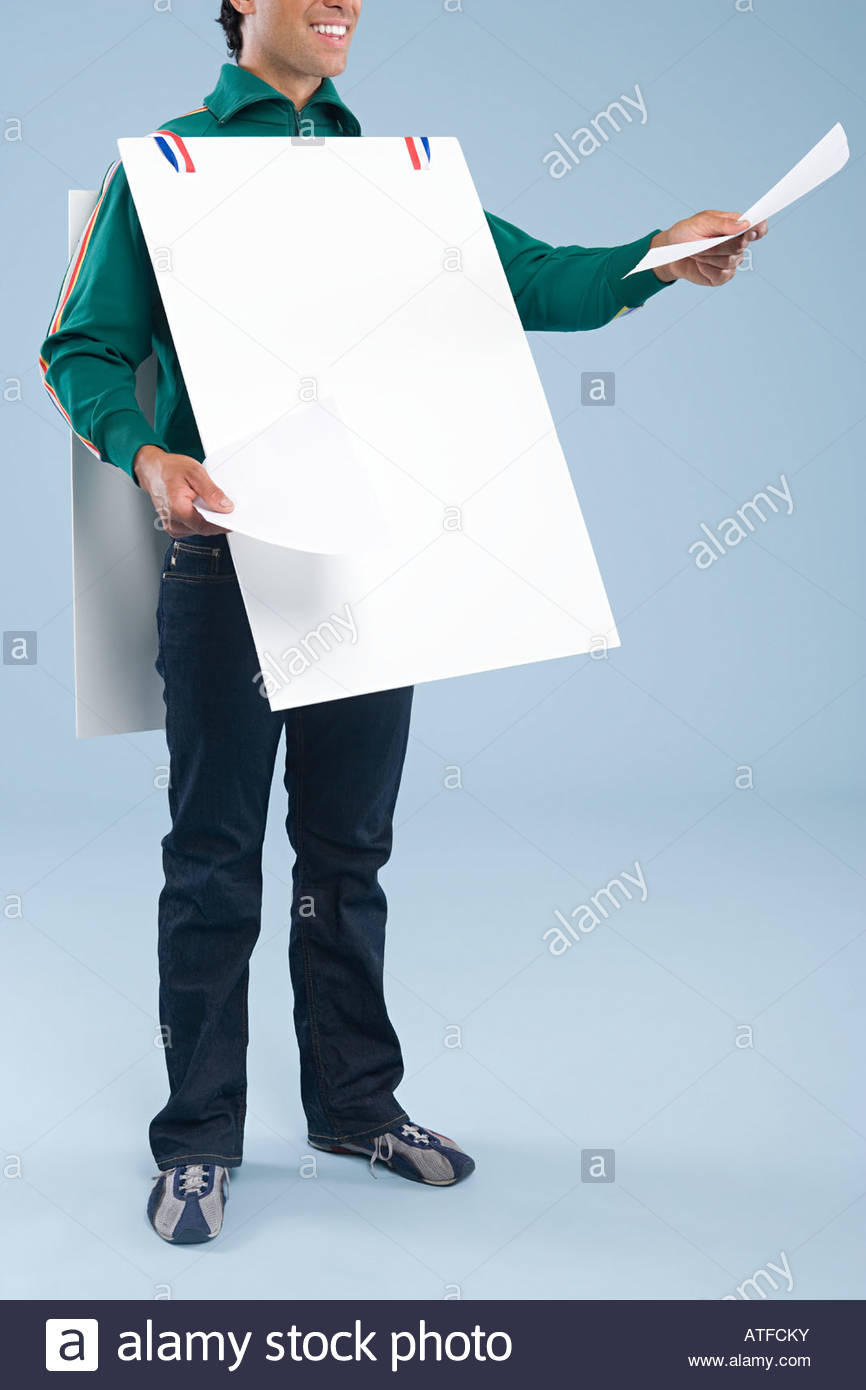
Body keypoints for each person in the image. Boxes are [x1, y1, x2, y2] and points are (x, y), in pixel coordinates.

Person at [39, 0, 768, 1246]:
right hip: (224, 559)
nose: (341, 3)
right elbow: (81, 348)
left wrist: (653, 253)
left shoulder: (395, 181)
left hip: (369, 568)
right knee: (213, 857)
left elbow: (530, 277)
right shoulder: (159, 169)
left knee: (346, 854)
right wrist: (148, 453)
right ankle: (200, 1139)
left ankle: (355, 1106)